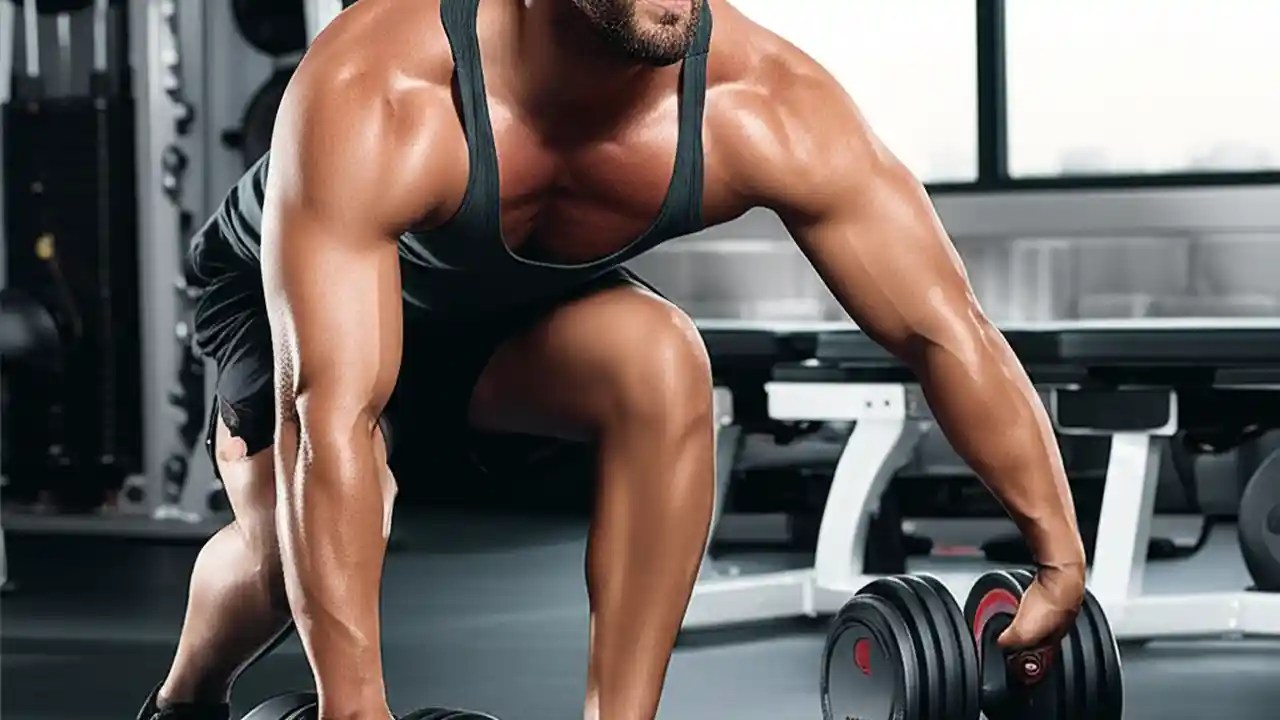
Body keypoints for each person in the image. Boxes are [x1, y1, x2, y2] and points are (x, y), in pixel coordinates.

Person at [138, 0, 1088, 719]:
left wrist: (1055, 553)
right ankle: (184, 699)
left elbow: (943, 330)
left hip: (505, 317)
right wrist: (357, 710)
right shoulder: (382, 83)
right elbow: (326, 415)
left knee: (664, 359)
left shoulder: (762, 105)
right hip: (289, 314)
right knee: (292, 547)